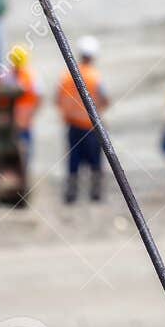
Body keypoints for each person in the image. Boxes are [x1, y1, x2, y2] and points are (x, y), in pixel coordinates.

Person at [58, 36, 109, 203]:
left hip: (73, 125)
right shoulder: (95, 76)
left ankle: (71, 194)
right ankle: (95, 193)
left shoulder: (67, 76)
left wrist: (69, 113)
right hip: (91, 127)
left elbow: (58, 99)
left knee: (74, 160)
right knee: (95, 161)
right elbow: (105, 99)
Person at [7, 44, 40, 170]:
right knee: (14, 151)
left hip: (23, 122)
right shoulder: (7, 77)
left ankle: (23, 170)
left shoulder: (30, 78)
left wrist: (30, 115)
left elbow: (38, 98)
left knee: (25, 151)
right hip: (12, 122)